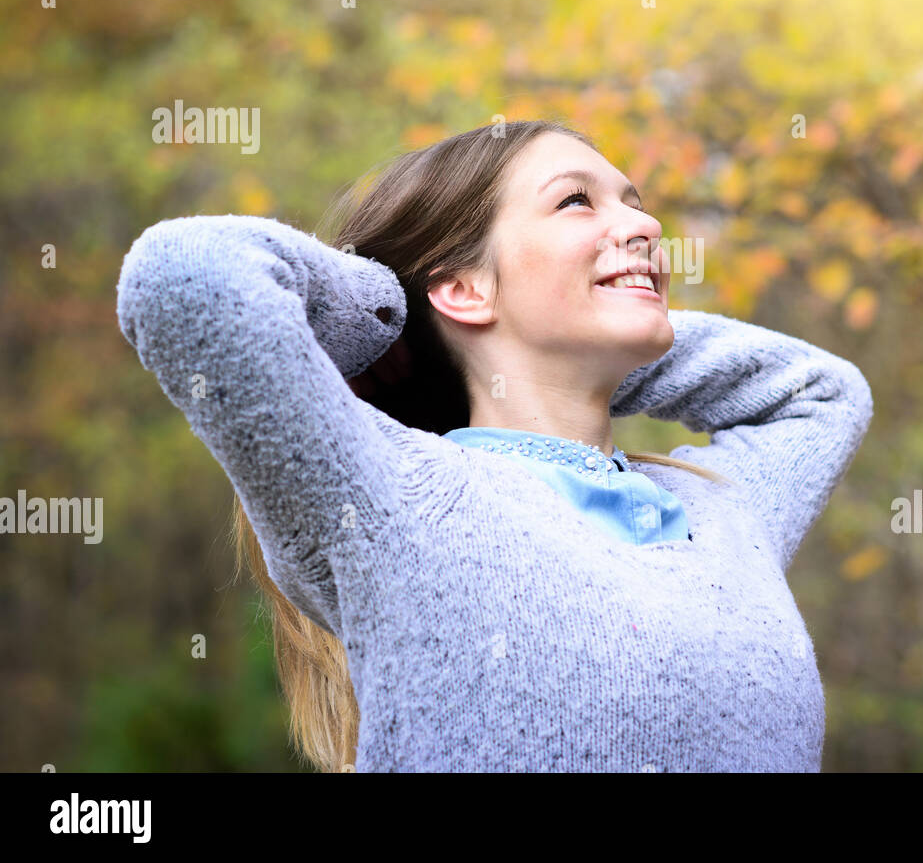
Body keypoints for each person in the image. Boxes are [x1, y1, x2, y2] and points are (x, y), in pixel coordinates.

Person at [115, 118, 874, 771]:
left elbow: (823, 393)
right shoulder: (390, 493)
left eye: (635, 204)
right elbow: (183, 277)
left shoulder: (717, 516)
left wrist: (615, 348)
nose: (644, 227)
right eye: (577, 201)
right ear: (463, 289)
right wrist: (390, 312)